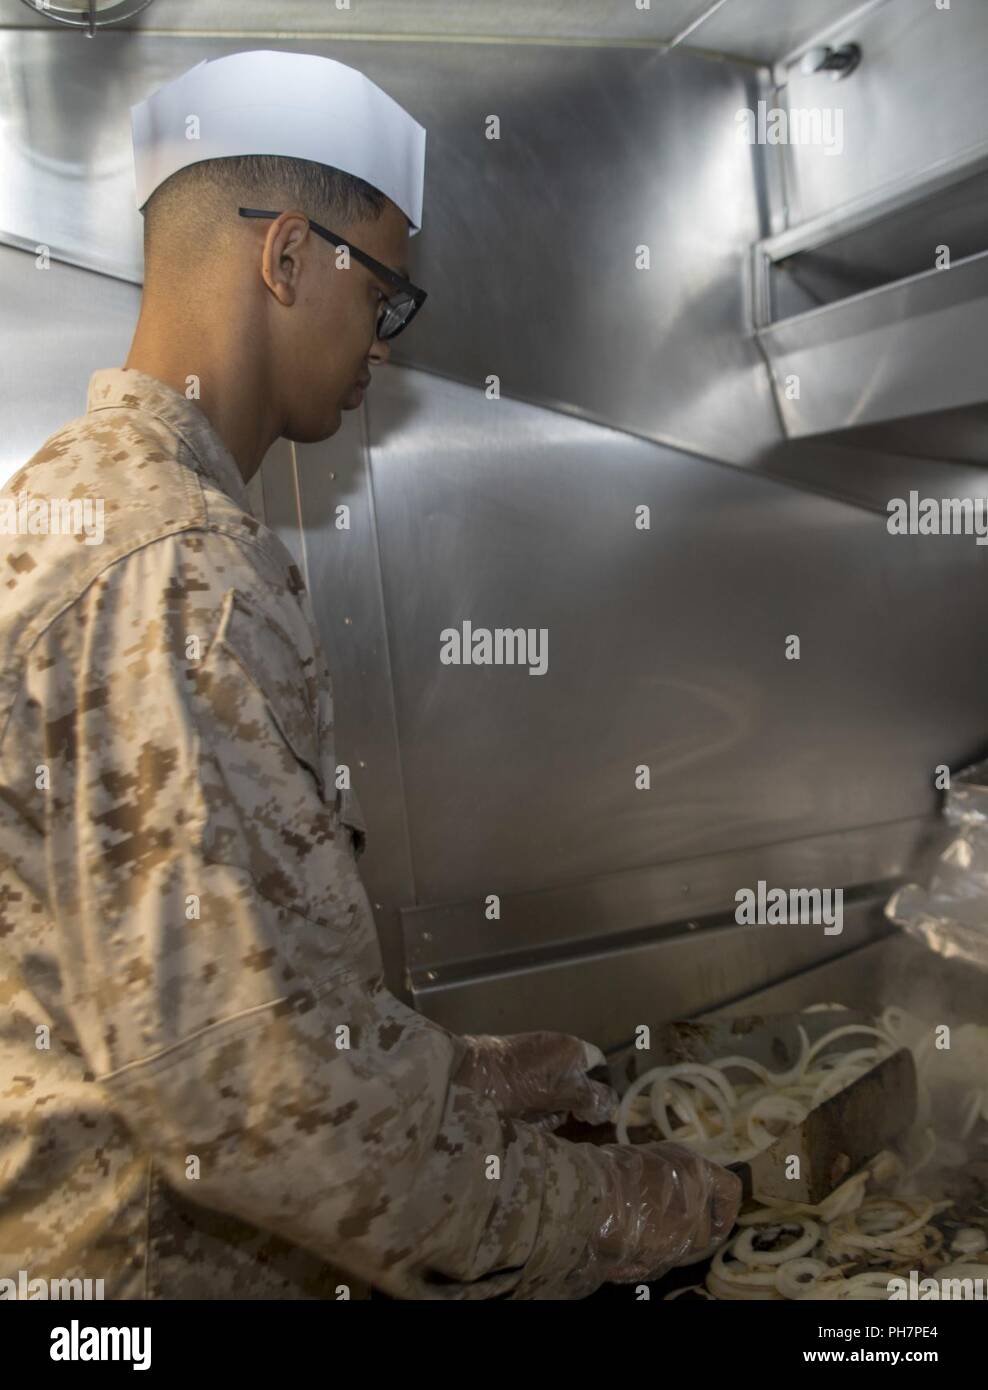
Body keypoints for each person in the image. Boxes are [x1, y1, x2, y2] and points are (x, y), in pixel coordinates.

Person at [0, 49, 740, 1300]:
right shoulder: (177, 564)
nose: (384, 349)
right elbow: (254, 1108)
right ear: (289, 259)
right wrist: (617, 1209)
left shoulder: (73, 502)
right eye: (385, 296)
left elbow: (178, 995)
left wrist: (460, 1080)